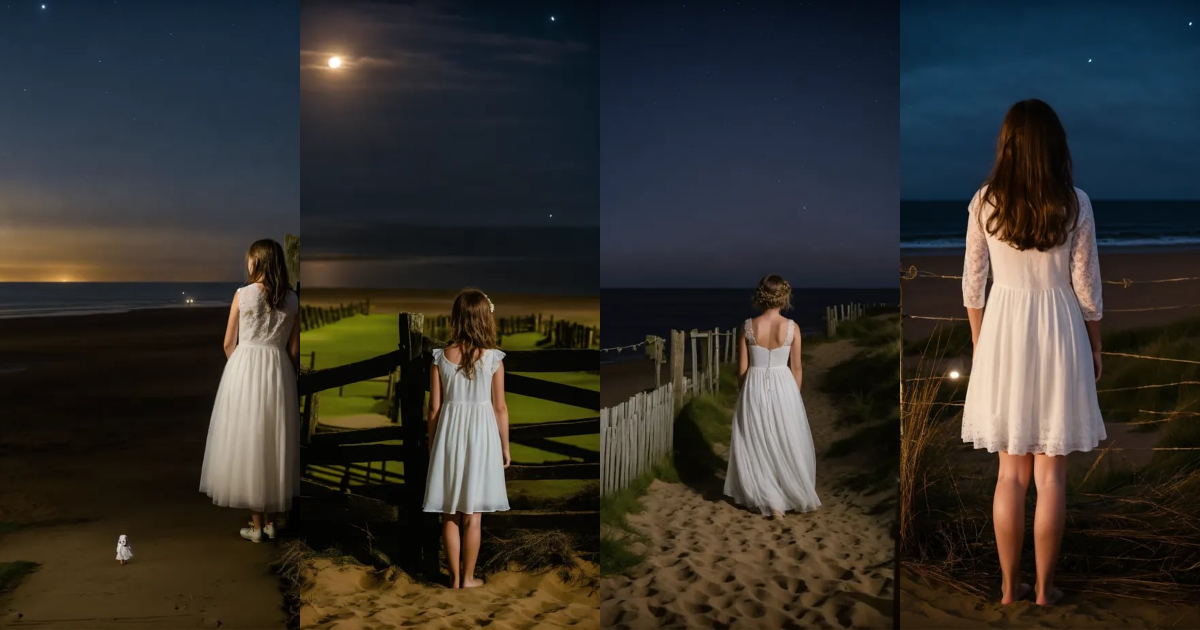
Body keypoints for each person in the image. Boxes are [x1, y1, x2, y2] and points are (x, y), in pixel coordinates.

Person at [961, 99, 1104, 606]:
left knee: (1010, 474)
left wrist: (982, 342)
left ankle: (1006, 590)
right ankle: (1043, 591)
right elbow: (1085, 286)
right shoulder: (1075, 202)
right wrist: (1095, 344)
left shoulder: (985, 202)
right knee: (1050, 476)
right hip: (1060, 330)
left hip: (1004, 330)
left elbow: (972, 286)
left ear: (1008, 145)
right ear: (1054, 146)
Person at [199, 239, 300, 543]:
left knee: (251, 441)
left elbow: (229, 342)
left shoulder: (243, 295)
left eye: (249, 259)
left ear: (257, 261)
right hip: (279, 369)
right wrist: (284, 373)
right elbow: (293, 351)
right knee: (273, 440)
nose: (247, 264)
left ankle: (257, 527)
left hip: (246, 368)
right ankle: (271, 522)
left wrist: (240, 371)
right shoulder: (293, 300)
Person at [422, 288, 511, 588]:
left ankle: (454, 578)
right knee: (473, 514)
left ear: (456, 318)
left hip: (449, 437)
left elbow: (434, 409)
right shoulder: (494, 359)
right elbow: (500, 407)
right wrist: (505, 446)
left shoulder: (441, 358)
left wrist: (433, 443)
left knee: (450, 513)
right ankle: (470, 577)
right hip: (482, 438)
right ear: (486, 318)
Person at [724, 274, 821, 518]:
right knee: (783, 437)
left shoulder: (747, 326)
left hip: (753, 384)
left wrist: (744, 393)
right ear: (784, 297)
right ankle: (783, 494)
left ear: (760, 296)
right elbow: (797, 367)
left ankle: (769, 499)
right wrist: (793, 397)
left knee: (757, 439)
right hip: (784, 384)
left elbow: (742, 369)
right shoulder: (792, 328)